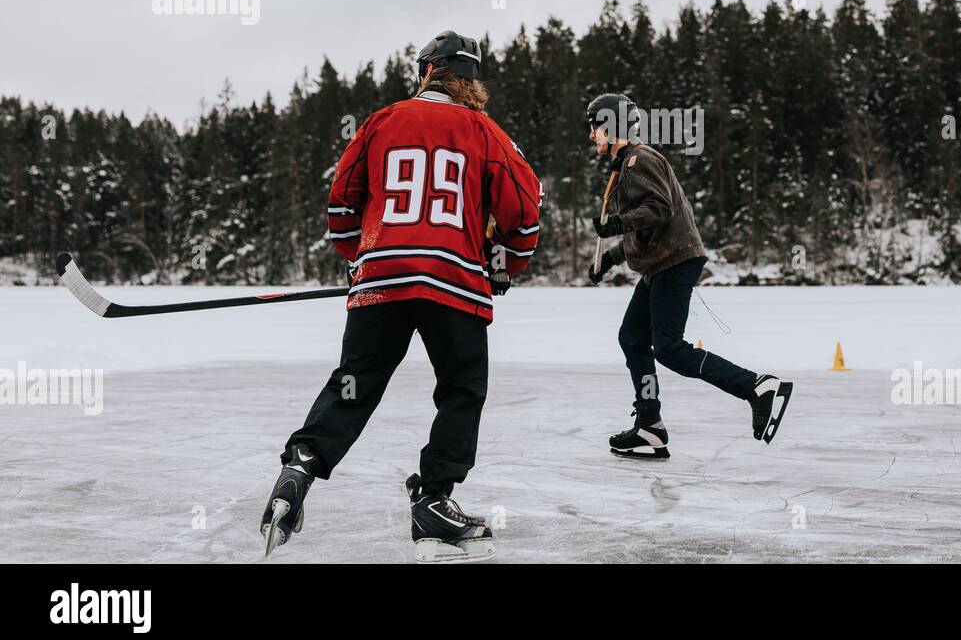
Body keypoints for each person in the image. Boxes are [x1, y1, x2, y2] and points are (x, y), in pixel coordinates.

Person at [260, 31, 542, 563]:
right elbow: (525, 212)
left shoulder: (380, 122)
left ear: (427, 72)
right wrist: (503, 265)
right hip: (453, 283)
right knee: (461, 387)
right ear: (469, 82)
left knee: (355, 382)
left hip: (381, 279)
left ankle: (301, 464)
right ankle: (435, 498)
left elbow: (342, 205)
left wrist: (360, 259)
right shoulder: (484, 131)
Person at [585, 92, 792, 458]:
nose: (591, 136)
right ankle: (650, 425)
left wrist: (617, 223)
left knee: (669, 348)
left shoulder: (638, 159)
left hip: (674, 261)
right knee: (633, 338)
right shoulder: (626, 166)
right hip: (660, 263)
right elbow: (643, 228)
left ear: (611, 125)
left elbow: (660, 209)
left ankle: (756, 387)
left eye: (594, 127)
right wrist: (610, 259)